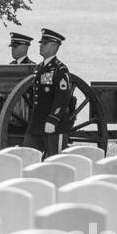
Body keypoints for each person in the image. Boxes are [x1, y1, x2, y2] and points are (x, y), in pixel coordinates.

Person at [22, 28, 72, 157]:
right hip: (36, 123)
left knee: (54, 160)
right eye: (41, 43)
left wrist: (53, 120)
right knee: (28, 157)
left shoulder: (59, 69)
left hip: (54, 125)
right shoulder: (39, 68)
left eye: (44, 43)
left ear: (54, 46)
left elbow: (63, 97)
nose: (40, 46)